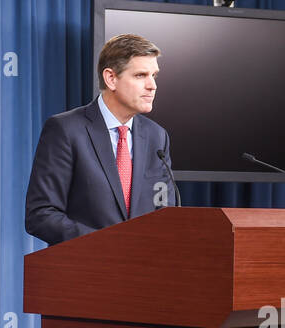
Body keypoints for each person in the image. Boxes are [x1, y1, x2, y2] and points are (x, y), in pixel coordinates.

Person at [25, 33, 174, 245]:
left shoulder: (157, 137)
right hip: (85, 269)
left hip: (143, 270)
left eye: (154, 76)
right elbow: (41, 215)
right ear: (111, 78)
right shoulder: (66, 130)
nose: (152, 86)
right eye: (141, 75)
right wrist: (107, 242)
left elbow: (165, 212)